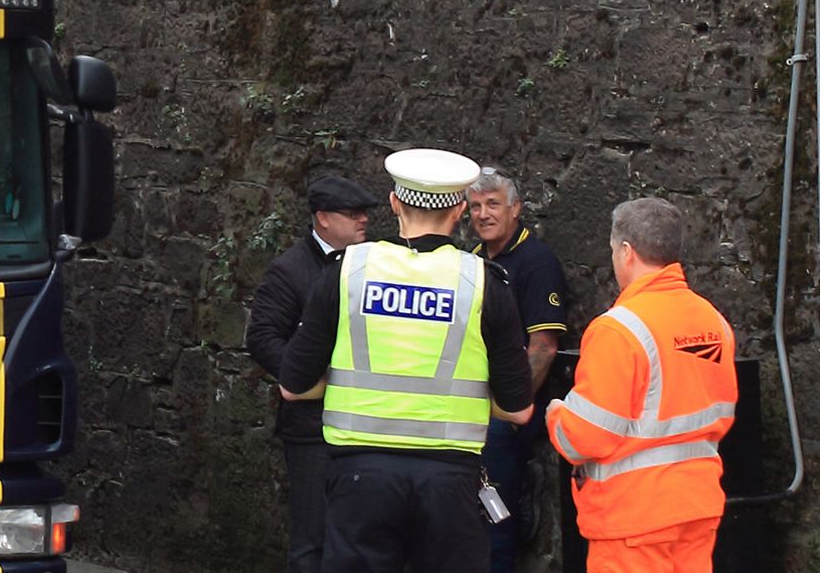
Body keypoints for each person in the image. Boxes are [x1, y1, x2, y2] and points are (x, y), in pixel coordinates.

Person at [280, 148, 534, 573]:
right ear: (458, 211)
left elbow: (292, 383)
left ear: (395, 203)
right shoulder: (482, 283)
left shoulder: (348, 272)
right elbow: (519, 408)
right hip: (449, 482)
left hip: (360, 477)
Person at [547, 198, 736, 573]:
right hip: (698, 506)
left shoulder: (618, 329)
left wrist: (557, 416)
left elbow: (586, 437)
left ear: (627, 252)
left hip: (633, 519)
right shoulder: (714, 322)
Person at [248, 173, 383, 573]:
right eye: (352, 214)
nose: (363, 221)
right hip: (312, 429)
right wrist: (305, 377)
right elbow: (262, 337)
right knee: (311, 540)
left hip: (363, 423)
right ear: (322, 218)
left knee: (360, 538)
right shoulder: (290, 271)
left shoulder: (373, 264)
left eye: (365, 214)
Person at [466, 167, 572, 573]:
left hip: (502, 418)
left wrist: (507, 413)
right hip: (465, 411)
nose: (483, 214)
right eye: (475, 206)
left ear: (516, 209)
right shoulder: (471, 262)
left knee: (497, 525)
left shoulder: (536, 262)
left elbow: (543, 347)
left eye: (493, 204)